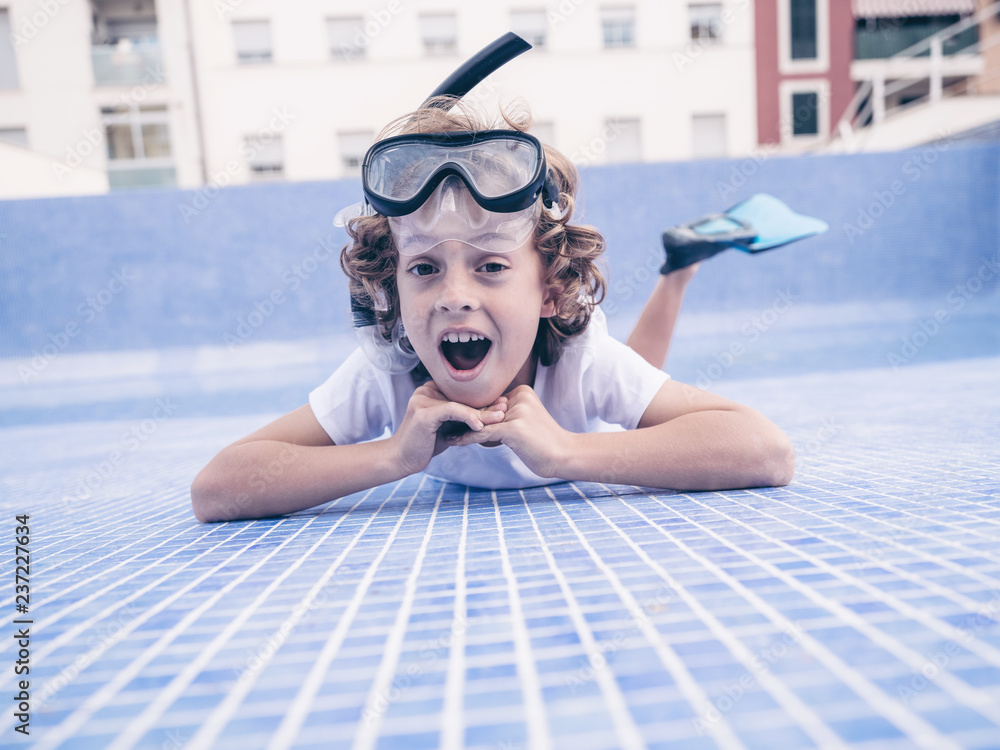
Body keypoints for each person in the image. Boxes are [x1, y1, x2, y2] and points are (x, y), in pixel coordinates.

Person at [190, 100, 795, 523]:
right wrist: (391, 456)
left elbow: (764, 450)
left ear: (551, 291)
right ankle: (676, 264)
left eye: (492, 265)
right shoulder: (391, 374)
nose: (453, 294)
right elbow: (217, 488)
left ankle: (677, 269)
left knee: (625, 385)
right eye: (424, 268)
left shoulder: (581, 362)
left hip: (586, 415)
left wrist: (567, 454)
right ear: (393, 294)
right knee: (628, 384)